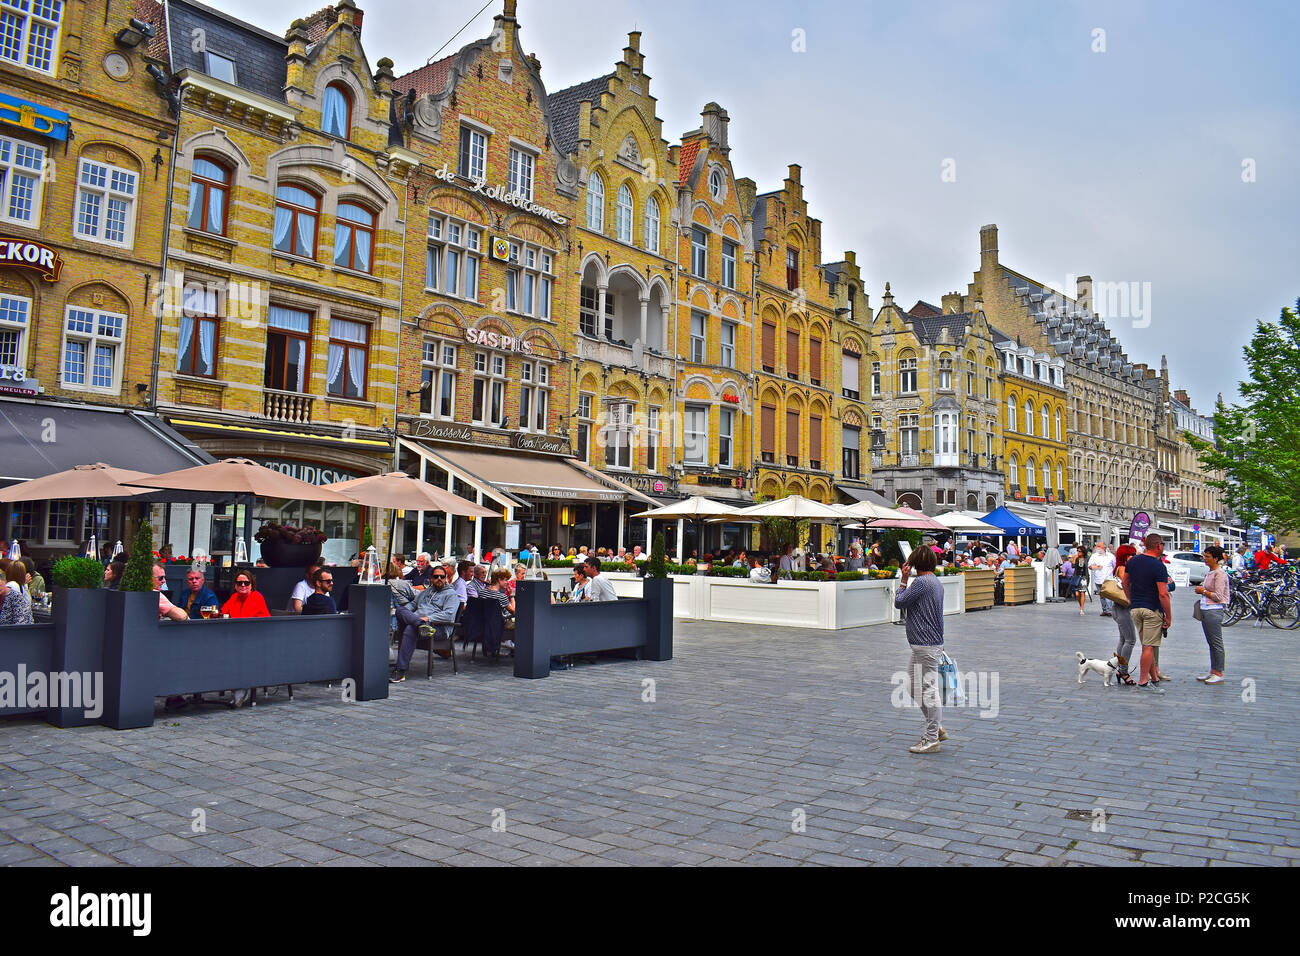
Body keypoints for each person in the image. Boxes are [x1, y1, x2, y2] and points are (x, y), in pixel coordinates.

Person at [893, 544, 948, 754]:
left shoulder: (921, 582)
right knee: (912, 686)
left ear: (916, 563)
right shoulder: (935, 582)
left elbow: (899, 602)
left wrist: (903, 580)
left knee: (928, 691)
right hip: (927, 644)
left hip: (925, 645)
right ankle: (937, 728)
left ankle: (932, 737)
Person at [390, 562, 460, 682]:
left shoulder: (451, 594)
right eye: (436, 576)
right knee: (400, 610)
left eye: (442, 577)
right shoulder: (426, 592)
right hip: (421, 625)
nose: (439, 579)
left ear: (446, 578)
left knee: (410, 629)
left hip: (438, 629)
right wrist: (407, 613)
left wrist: (428, 619)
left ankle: (400, 671)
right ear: (431, 578)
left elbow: (448, 616)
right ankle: (419, 625)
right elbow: (412, 605)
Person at [1124, 532, 1171, 692]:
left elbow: (1125, 581)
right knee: (1149, 647)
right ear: (1158, 546)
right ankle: (1143, 681)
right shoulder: (1159, 566)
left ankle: (1154, 677)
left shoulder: (1134, 561)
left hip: (1136, 608)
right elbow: (1163, 593)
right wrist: (1168, 616)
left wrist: (1130, 598)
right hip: (1152, 608)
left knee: (1146, 644)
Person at [1195, 545, 1230, 686]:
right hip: (1206, 608)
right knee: (1211, 642)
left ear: (1216, 558)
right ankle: (1213, 670)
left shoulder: (1219, 574)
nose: (1205, 559)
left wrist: (1203, 591)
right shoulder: (1210, 572)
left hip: (1213, 609)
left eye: (1208, 556)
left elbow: (1218, 595)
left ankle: (1219, 672)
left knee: (1216, 642)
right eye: (1205, 556)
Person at [1110, 544, 1139, 685]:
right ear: (1125, 556)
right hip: (1123, 607)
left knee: (1123, 639)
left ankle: (1119, 667)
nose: (1134, 557)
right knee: (1130, 640)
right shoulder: (1123, 569)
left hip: (1119, 607)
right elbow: (1126, 585)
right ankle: (1123, 671)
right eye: (1131, 554)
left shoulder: (1119, 568)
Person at [1088, 542, 1117, 617]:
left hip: (1108, 579)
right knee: (1102, 596)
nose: (1098, 548)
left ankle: (1109, 610)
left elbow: (1115, 566)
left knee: (1108, 595)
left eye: (1099, 547)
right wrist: (1095, 567)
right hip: (1098, 578)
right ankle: (1104, 610)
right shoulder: (1094, 556)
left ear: (1104, 548)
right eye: (1097, 547)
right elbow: (1090, 565)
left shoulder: (1111, 556)